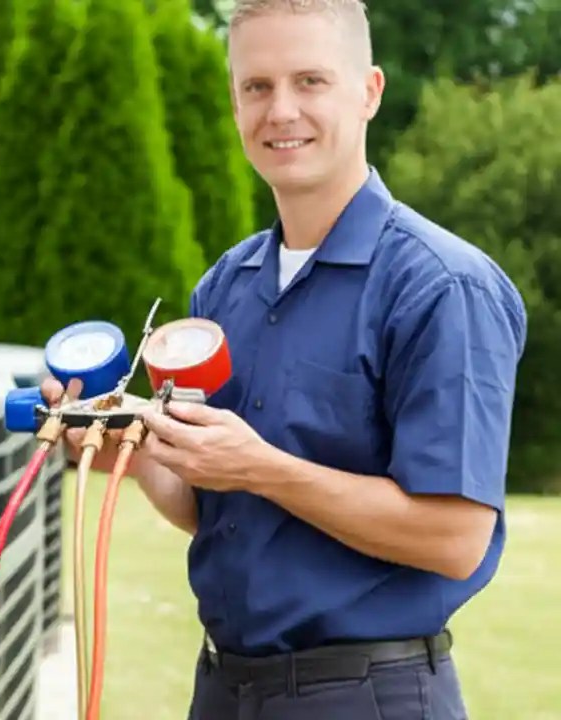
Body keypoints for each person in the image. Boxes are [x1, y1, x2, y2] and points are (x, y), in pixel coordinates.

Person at [41, 1, 527, 718]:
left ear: (369, 91)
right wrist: (137, 457)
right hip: (224, 691)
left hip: (367, 695)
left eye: (310, 81)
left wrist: (262, 467)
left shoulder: (441, 286)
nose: (281, 111)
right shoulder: (226, 285)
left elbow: (455, 538)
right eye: (256, 87)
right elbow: (219, 509)